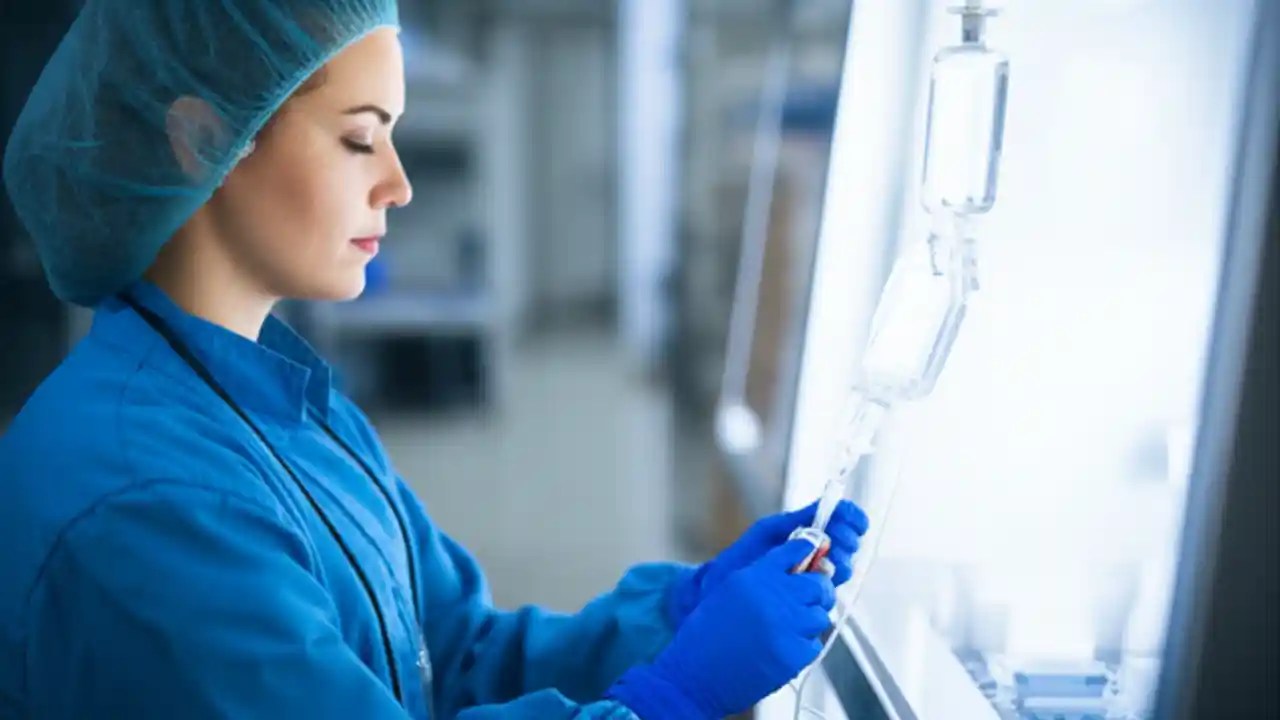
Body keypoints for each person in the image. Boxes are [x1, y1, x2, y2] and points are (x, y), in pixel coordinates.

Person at [0, 1, 870, 718]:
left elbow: (453, 653)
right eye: (358, 138)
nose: (398, 184)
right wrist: (670, 698)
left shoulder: (285, 406)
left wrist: (677, 615)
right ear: (201, 138)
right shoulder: (148, 500)